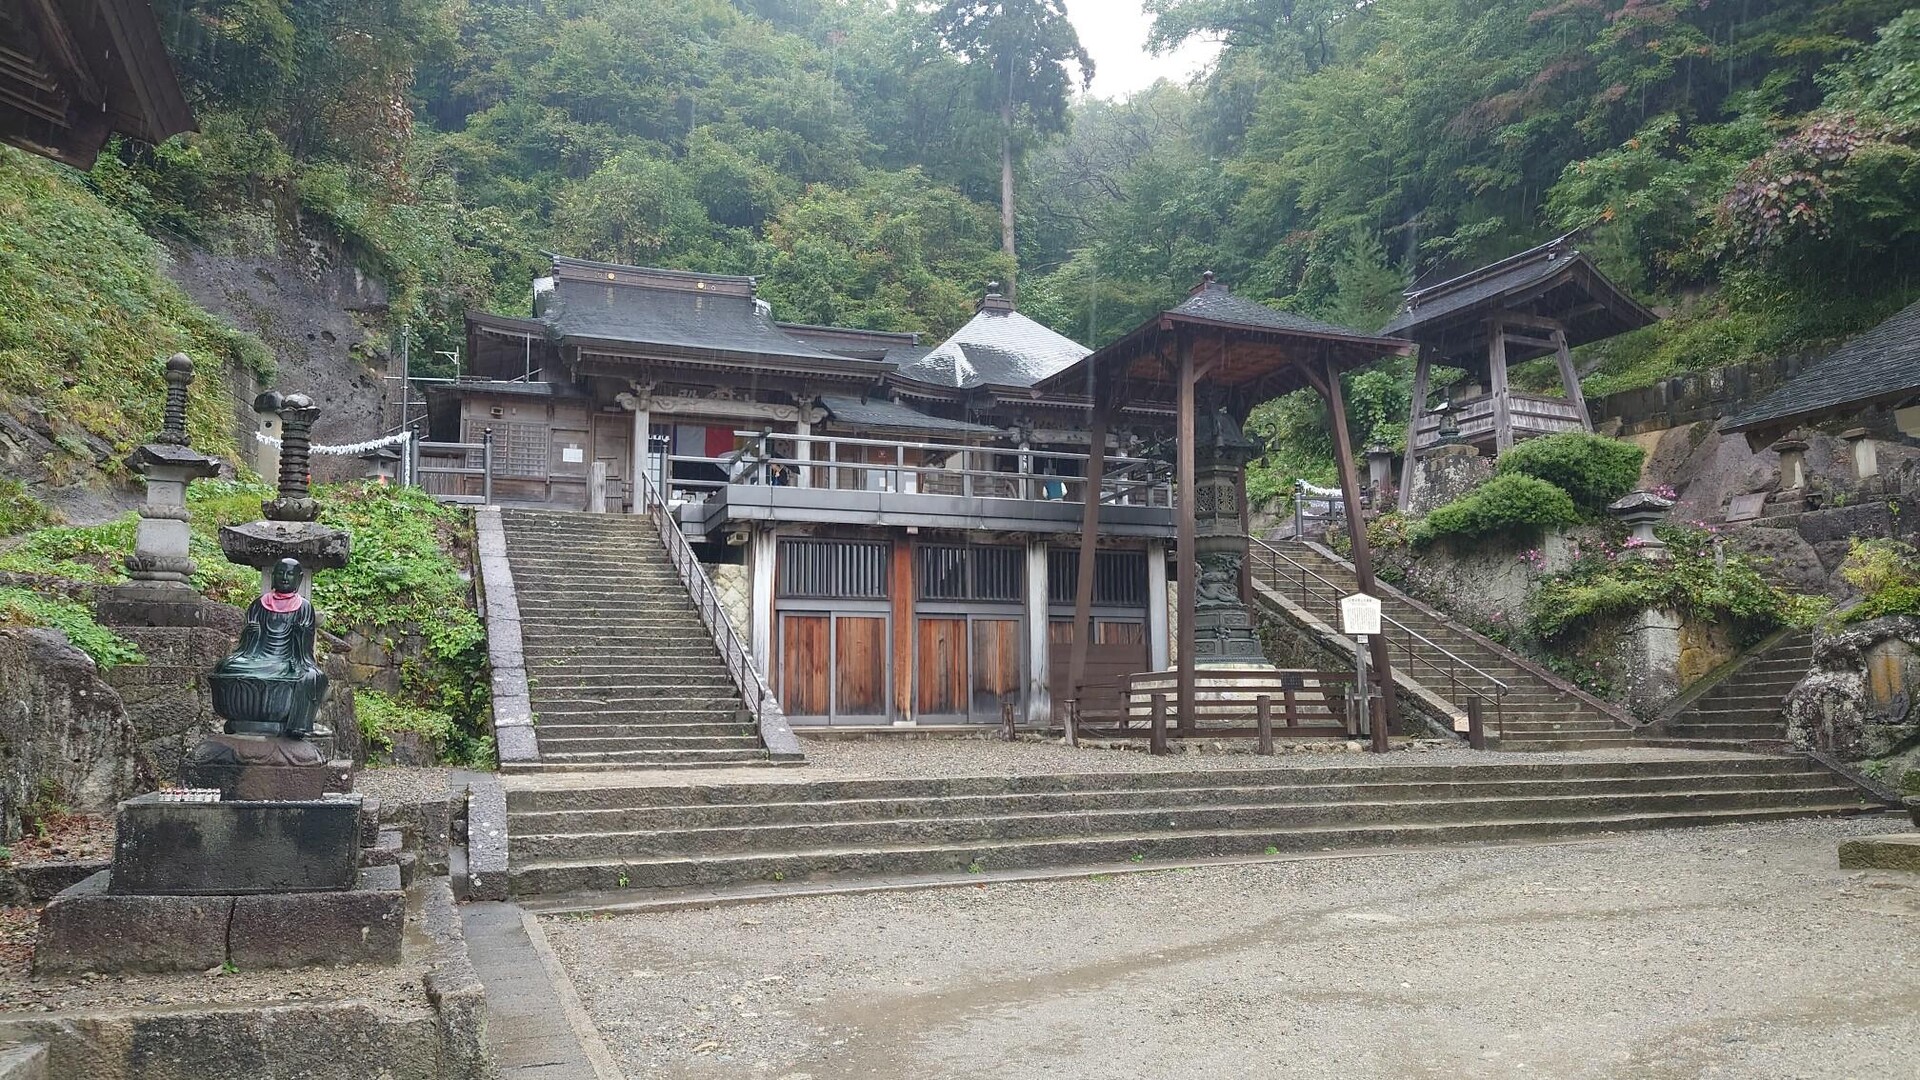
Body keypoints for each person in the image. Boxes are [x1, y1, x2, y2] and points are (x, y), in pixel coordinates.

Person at [209, 558, 329, 738]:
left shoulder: (303, 607)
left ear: (299, 578)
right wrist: (251, 634)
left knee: (310, 676)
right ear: (273, 576)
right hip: (257, 658)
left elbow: (304, 650)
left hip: (286, 660)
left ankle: (296, 725)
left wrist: (300, 634)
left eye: (290, 574)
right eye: (280, 573)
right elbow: (246, 647)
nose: (285, 577)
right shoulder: (259, 604)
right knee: (227, 666)